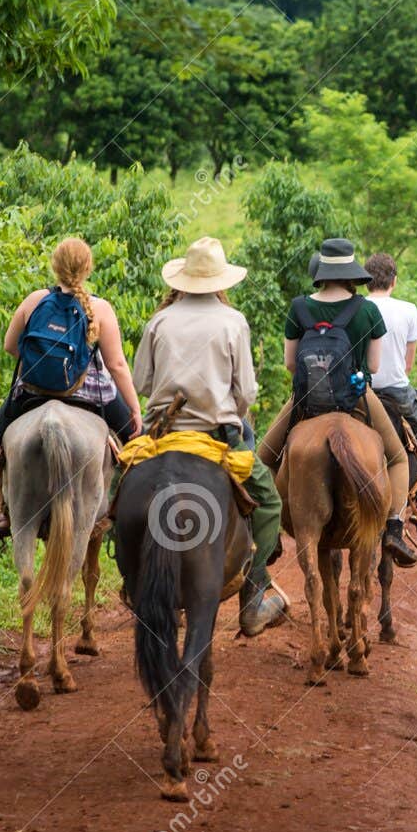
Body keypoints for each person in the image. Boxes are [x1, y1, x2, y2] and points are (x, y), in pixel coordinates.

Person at [132, 236, 288, 636]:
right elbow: (247, 393)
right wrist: (231, 412)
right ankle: (253, 595)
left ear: (182, 279)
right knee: (269, 502)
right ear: (221, 282)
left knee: (120, 494)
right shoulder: (232, 321)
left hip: (163, 434)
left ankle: (132, 581)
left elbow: (141, 383)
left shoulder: (159, 321)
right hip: (217, 436)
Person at [257, 238, 417, 567]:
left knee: (262, 458)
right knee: (398, 458)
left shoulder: (299, 307)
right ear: (351, 272)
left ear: (321, 271)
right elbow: (373, 367)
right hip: (356, 398)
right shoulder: (367, 310)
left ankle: (270, 532)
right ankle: (393, 528)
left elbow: (291, 364)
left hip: (306, 401)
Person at [0, 237, 141, 539]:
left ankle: (1, 512)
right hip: (89, 395)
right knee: (139, 444)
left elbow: (10, 346)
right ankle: (129, 517)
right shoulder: (100, 309)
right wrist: (134, 409)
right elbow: (117, 366)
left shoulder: (34, 300)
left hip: (32, 391)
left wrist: (41, 364)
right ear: (88, 268)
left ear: (55, 266)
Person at [362, 252, 417, 536]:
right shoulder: (409, 310)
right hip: (397, 393)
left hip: (360, 392)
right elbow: (408, 365)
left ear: (366, 282)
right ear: (394, 281)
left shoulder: (355, 308)